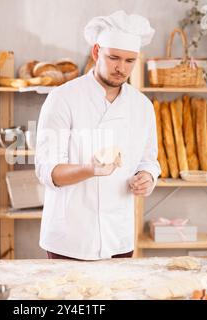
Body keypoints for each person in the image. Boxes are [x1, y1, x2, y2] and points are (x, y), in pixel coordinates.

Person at [35, 10, 160, 260]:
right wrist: (89, 169)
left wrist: (147, 177)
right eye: (114, 57)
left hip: (118, 236)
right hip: (70, 238)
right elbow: (47, 171)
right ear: (96, 52)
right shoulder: (62, 98)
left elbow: (149, 160)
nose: (121, 68)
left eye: (129, 60)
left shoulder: (142, 106)